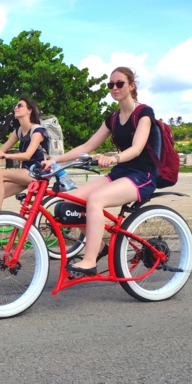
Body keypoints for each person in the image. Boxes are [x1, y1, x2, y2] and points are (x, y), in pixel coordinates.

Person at [41, 66, 157, 275]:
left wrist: (114, 158)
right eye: (110, 84)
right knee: (69, 202)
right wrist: (54, 160)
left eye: (119, 83)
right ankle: (101, 247)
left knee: (95, 199)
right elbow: (86, 147)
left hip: (142, 175)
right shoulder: (113, 118)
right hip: (121, 173)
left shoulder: (143, 113)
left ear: (132, 86)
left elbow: (137, 148)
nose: (114, 88)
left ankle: (90, 260)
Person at [0, 96, 50, 211]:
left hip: (38, 174)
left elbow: (27, 155)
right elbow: (0, 150)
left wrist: (6, 155)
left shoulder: (38, 131)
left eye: (20, 105)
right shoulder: (18, 131)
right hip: (26, 174)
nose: (16, 107)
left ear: (29, 110)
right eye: (15, 106)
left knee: (0, 174)